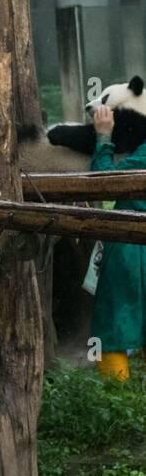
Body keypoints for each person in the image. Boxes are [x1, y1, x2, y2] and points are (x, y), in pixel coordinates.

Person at [89, 105, 146, 381]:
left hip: (131, 246)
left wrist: (103, 137)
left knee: (112, 323)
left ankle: (116, 396)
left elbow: (104, 181)